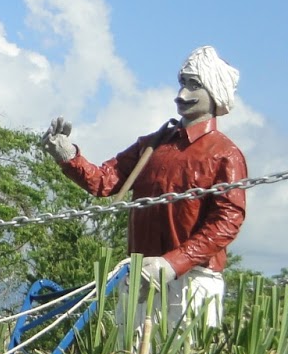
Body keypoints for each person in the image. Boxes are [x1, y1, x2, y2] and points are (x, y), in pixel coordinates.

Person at [43, 46, 246, 329]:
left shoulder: (225, 153)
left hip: (194, 280)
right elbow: (106, 181)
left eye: (194, 85)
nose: (182, 94)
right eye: (182, 83)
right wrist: (68, 156)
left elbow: (226, 222)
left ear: (214, 92)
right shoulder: (153, 144)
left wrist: (174, 263)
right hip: (140, 275)